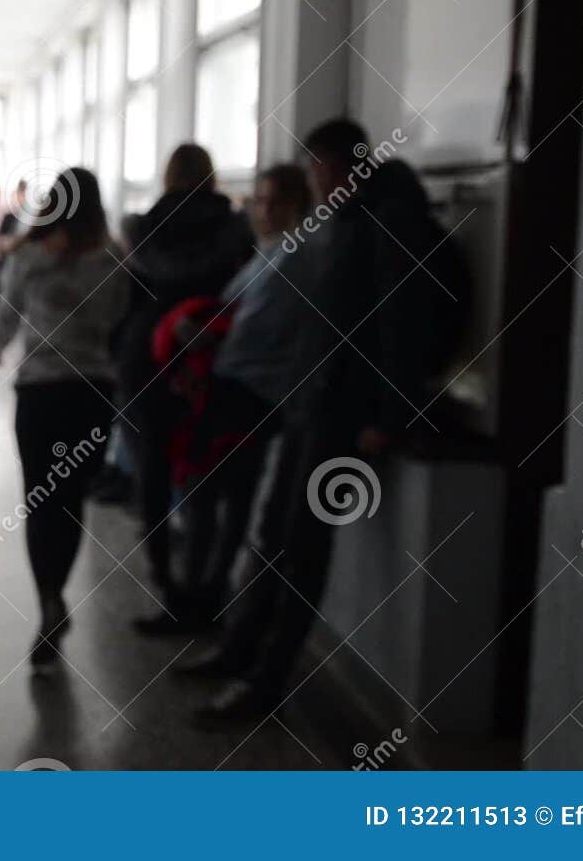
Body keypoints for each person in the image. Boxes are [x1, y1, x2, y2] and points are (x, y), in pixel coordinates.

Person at [187, 119, 435, 724]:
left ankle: (266, 683)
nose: (315, 180)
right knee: (275, 536)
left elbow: (395, 329)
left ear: (337, 165)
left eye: (318, 167)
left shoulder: (377, 227)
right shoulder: (340, 227)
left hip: (343, 417)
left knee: (303, 547)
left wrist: (386, 415)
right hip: (309, 405)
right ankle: (241, 651)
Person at [0, 168, 129, 670]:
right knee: (69, 502)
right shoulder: (114, 259)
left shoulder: (29, 255)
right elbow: (117, 319)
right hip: (92, 391)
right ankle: (55, 594)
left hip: (40, 390)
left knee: (39, 499)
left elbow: (8, 308)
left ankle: (50, 599)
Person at [118, 145, 255, 636]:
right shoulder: (236, 227)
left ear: (168, 175)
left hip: (149, 357)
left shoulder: (140, 228)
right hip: (211, 355)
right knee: (207, 477)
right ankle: (205, 592)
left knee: (152, 476)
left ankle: (168, 590)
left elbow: (125, 300)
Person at [170, 165, 314, 622]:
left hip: (252, 395)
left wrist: (202, 337)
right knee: (221, 497)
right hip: (235, 389)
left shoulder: (294, 259)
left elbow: (249, 329)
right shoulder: (267, 255)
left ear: (298, 206)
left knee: (216, 494)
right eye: (260, 200)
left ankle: (204, 597)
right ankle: (203, 593)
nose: (264, 211)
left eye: (276, 202)